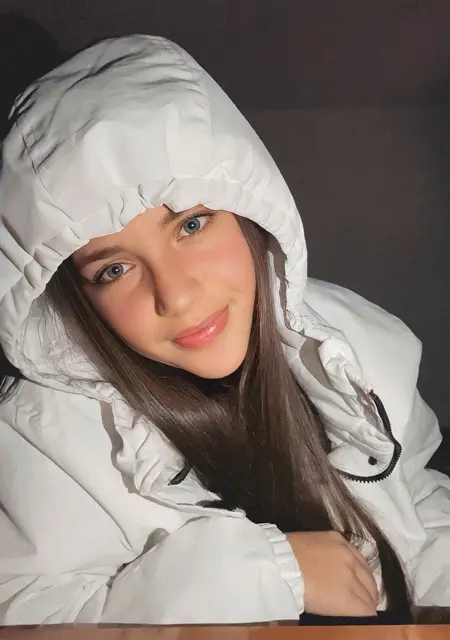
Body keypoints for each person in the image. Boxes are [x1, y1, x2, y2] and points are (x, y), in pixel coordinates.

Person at [0, 34, 449, 627]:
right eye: (114, 269)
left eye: (191, 225)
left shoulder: (349, 343)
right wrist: (271, 573)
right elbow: (27, 615)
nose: (177, 295)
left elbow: (416, 505)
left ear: (248, 209)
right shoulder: (42, 439)